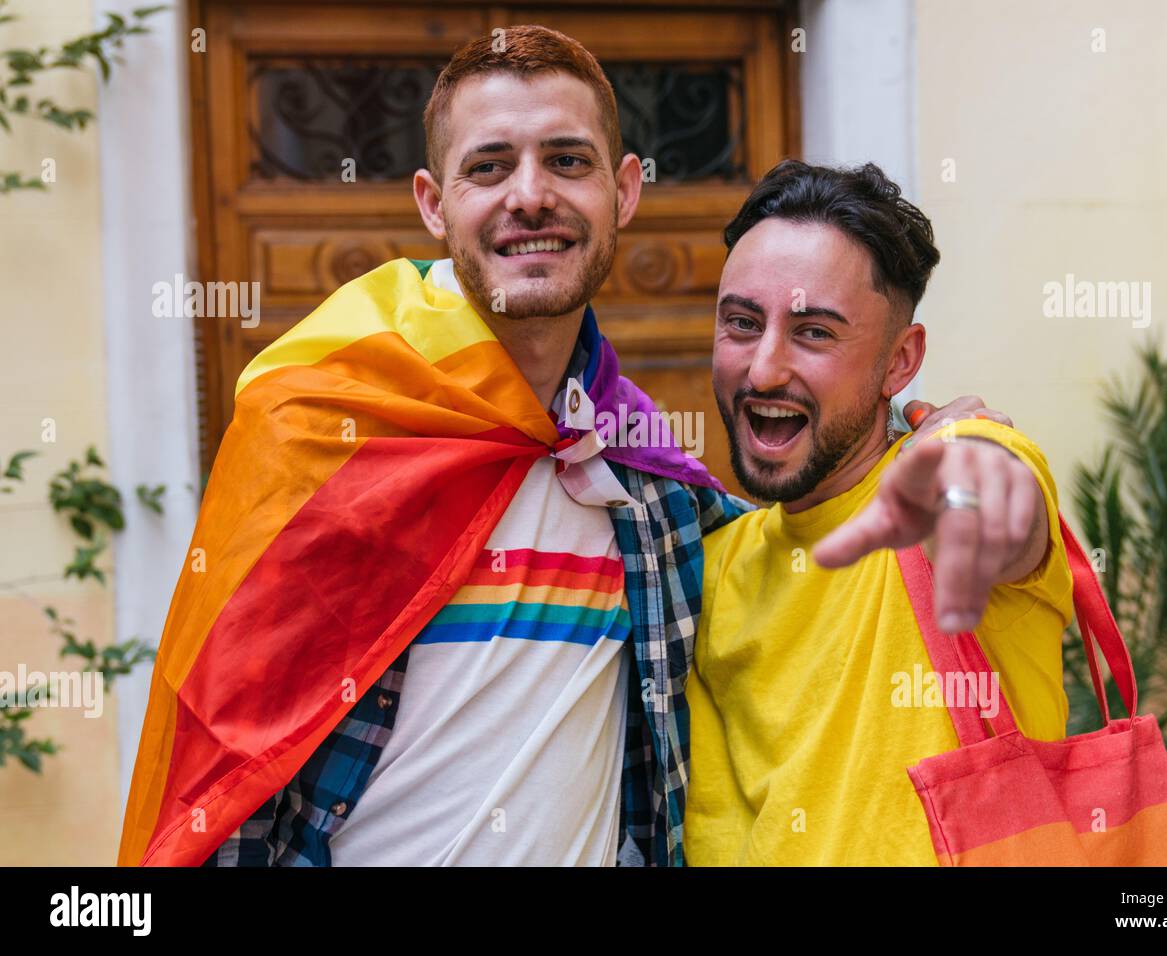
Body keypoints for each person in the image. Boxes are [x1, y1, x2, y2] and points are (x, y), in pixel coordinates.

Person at [118, 25, 1010, 869]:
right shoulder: (322, 427)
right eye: (490, 166)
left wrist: (927, 433)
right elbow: (227, 763)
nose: (531, 194)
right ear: (435, 203)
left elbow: (805, 524)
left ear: (623, 189)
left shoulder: (647, 483)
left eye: (567, 160)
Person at [683, 160, 1075, 865]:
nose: (763, 369)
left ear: (901, 363)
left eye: (813, 333)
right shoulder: (709, 567)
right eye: (742, 323)